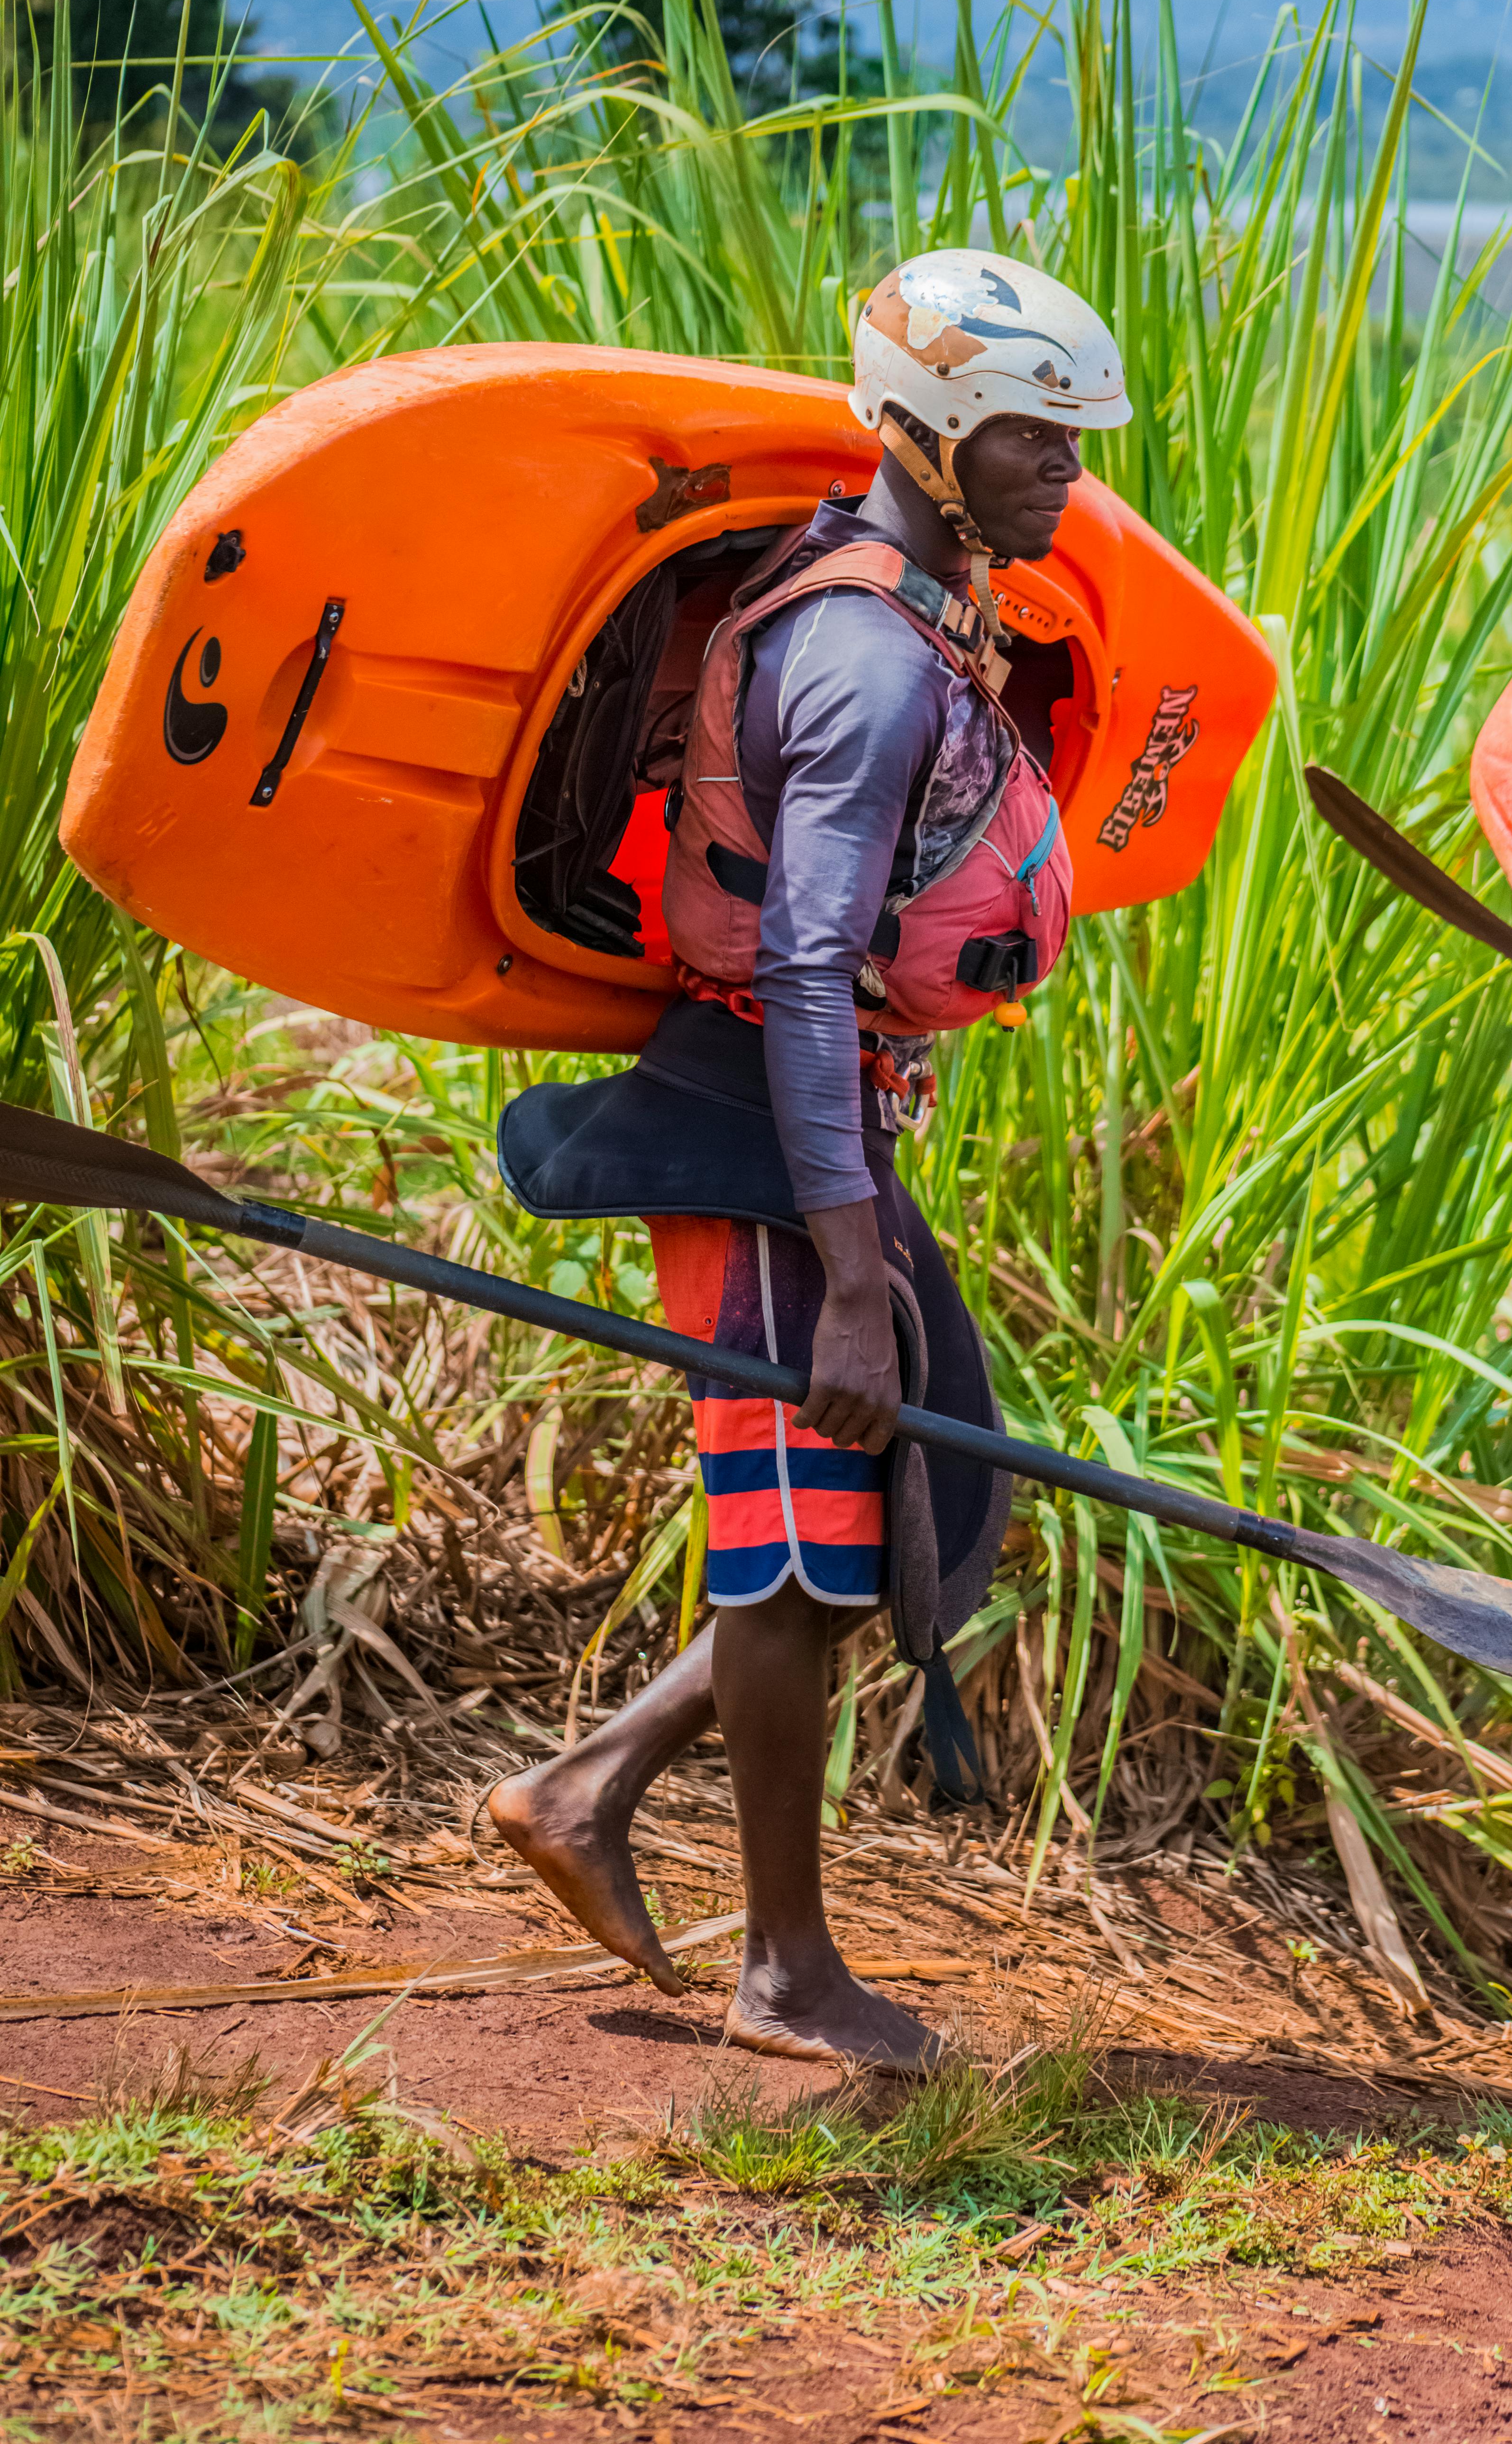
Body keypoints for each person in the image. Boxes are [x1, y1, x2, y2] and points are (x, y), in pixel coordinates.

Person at [491, 251, 1133, 2071]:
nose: (1064, 470)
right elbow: (797, 966)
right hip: (768, 1126)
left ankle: (584, 1789)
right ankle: (786, 1972)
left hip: (820, 1124)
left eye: (1071, 438)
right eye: (1028, 437)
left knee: (897, 1512)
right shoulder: (862, 658)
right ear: (929, 438)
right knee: (788, 1560)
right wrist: (851, 1276)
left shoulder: (916, 607)